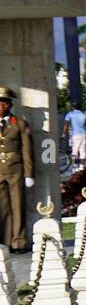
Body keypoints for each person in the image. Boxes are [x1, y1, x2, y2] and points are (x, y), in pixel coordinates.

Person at [0, 87, 34, 252]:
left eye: (4, 103)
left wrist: (29, 174)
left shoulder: (19, 123)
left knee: (17, 206)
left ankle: (18, 242)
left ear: (10, 105)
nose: (1, 106)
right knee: (2, 208)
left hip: (15, 170)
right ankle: (5, 242)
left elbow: (27, 150)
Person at [63, 101, 86, 171]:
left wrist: (64, 134)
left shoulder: (70, 114)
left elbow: (66, 124)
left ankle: (74, 165)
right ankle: (81, 165)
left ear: (73, 107)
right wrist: (85, 133)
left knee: (74, 150)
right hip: (83, 134)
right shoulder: (83, 114)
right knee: (82, 150)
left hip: (75, 134)